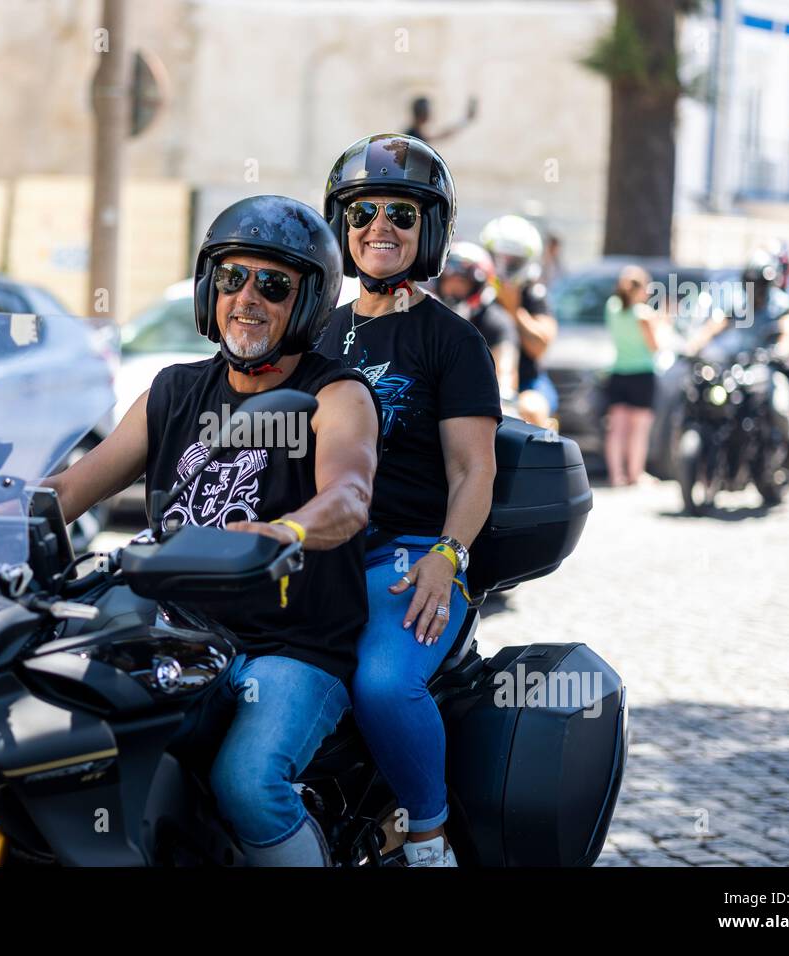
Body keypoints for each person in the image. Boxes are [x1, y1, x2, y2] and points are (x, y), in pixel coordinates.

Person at [42, 195, 381, 866]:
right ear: (208, 289)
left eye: (273, 284)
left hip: (289, 647)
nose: (247, 298)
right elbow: (73, 487)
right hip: (173, 637)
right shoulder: (172, 392)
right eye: (232, 278)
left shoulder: (336, 396)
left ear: (307, 303)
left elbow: (349, 495)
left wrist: (283, 532)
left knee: (248, 784)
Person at [317, 133, 501, 867]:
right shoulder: (314, 331)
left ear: (430, 229)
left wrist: (447, 557)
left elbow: (473, 471)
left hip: (410, 554)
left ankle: (427, 835)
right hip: (317, 551)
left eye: (400, 212)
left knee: (385, 684)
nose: (379, 228)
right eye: (363, 213)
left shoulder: (452, 342)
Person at [690, 247, 789, 441]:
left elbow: (788, 330)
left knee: (779, 404)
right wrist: (696, 345)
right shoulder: (740, 303)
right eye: (751, 282)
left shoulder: (781, 304)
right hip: (743, 363)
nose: (755, 288)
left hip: (773, 363)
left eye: (759, 283)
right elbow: (717, 323)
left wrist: (780, 350)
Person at [480, 214, 558, 428]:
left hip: (528, 383)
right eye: (499, 258)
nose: (504, 267)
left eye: (512, 261)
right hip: (480, 381)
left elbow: (540, 347)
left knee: (532, 409)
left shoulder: (534, 295)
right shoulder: (477, 291)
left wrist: (514, 310)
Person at [436, 241, 518, 403]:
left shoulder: (496, 322)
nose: (453, 289)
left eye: (462, 281)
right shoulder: (427, 319)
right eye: (448, 280)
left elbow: (505, 377)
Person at [603, 265, 662, 487]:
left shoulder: (612, 307)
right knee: (639, 429)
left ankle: (616, 475)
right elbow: (655, 346)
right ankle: (635, 474)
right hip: (642, 374)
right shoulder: (644, 314)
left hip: (618, 372)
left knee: (617, 429)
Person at [404, 95, 476, 145]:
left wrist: (465, 121)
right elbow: (443, 134)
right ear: (424, 114)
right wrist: (465, 120)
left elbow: (443, 134)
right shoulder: (413, 137)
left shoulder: (415, 133)